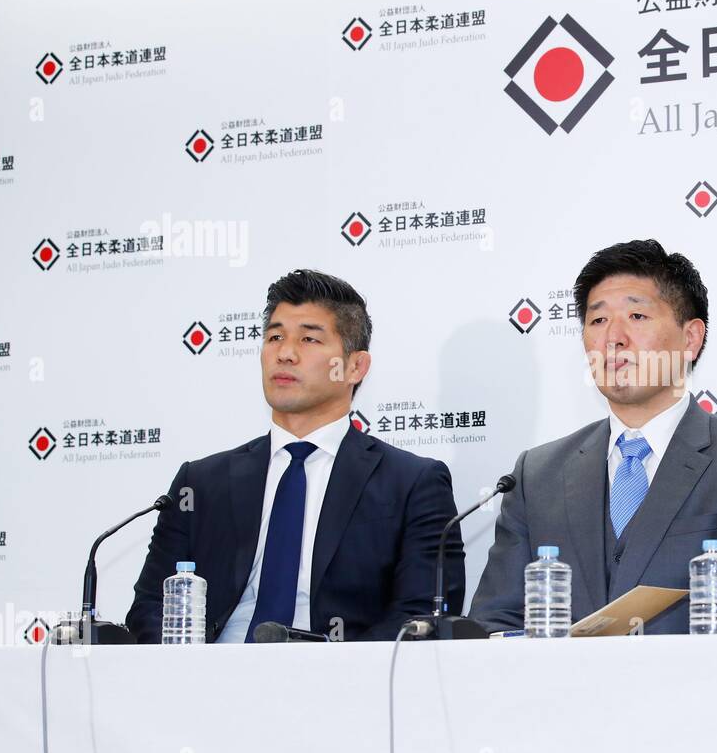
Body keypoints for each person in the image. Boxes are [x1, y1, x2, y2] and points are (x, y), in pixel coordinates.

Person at [470, 239, 717, 633]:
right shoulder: (536, 475)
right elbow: (494, 623)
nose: (612, 337)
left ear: (690, 339)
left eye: (636, 316)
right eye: (597, 321)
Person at [126, 269, 464, 642]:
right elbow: (150, 608)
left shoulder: (412, 483)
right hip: (208, 678)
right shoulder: (201, 482)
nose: (285, 354)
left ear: (355, 366)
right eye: (274, 337)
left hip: (342, 683)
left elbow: (422, 616)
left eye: (308, 338)